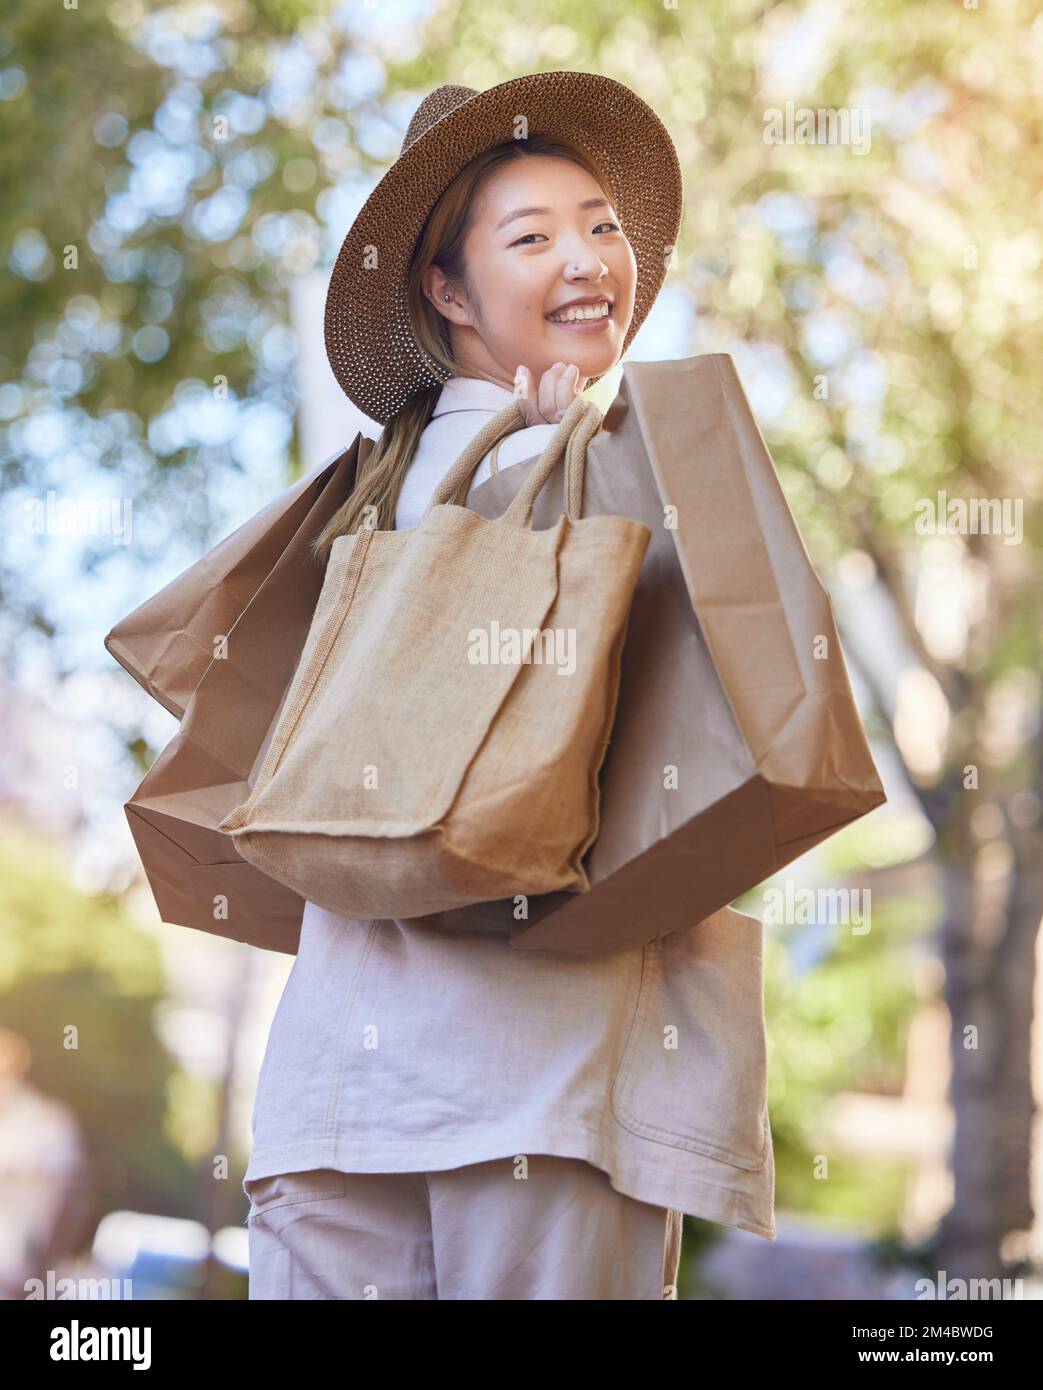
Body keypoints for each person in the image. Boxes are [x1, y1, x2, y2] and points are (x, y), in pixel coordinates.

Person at [242, 71, 776, 1301]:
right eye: (530, 237)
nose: (588, 257)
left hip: (331, 1098)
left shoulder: (364, 498)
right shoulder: (602, 467)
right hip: (541, 1090)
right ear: (447, 288)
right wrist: (564, 465)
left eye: (599, 224)